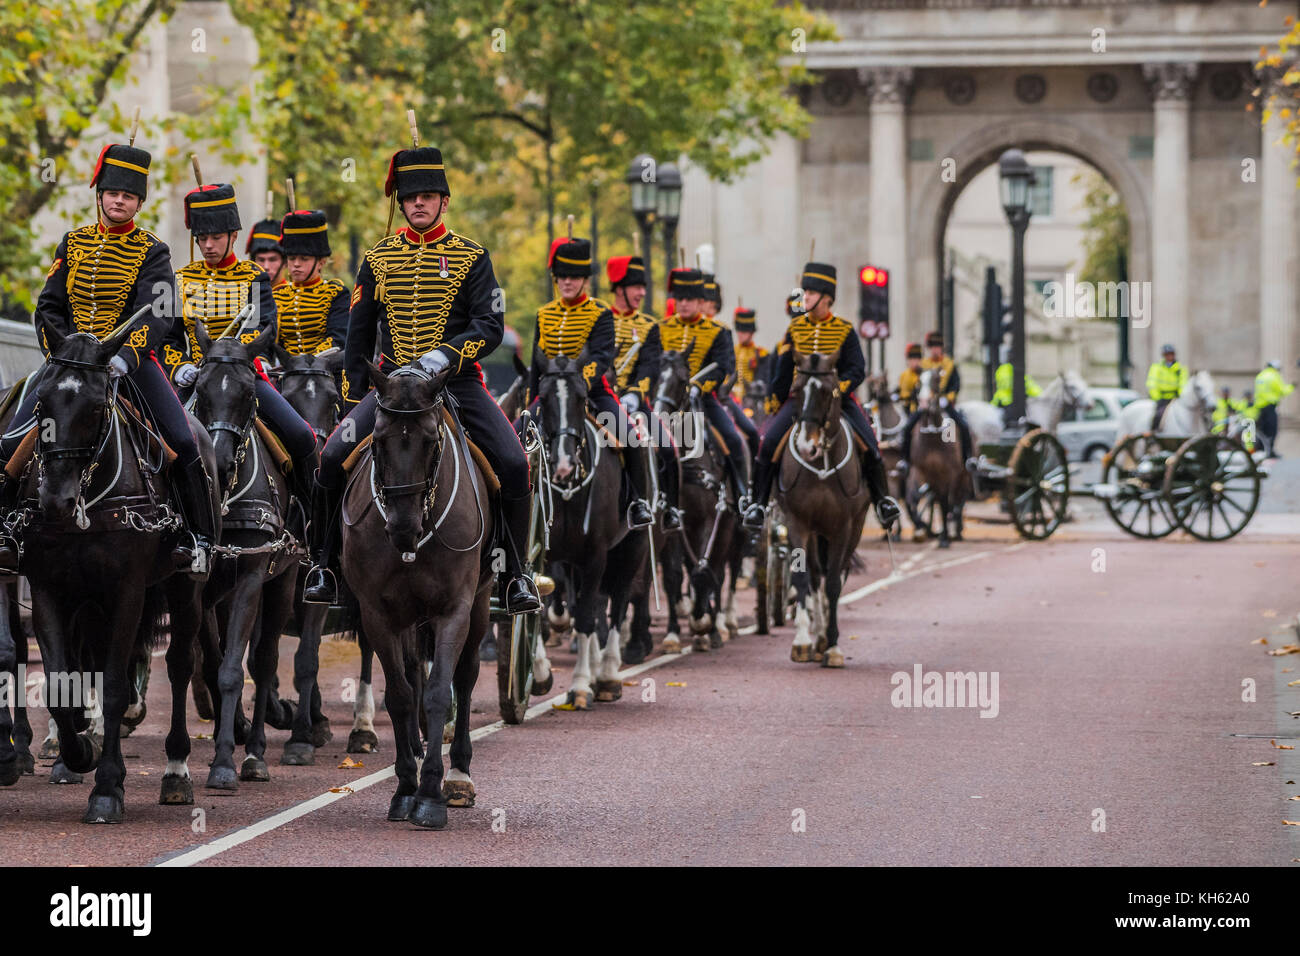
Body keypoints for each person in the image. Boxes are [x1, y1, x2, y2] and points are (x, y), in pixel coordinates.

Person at [306, 143, 539, 612]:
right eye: (411, 197)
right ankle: (324, 566)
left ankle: (517, 575)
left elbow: (489, 326)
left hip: (456, 383)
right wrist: (353, 402)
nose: (419, 203)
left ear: (444, 202)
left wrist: (444, 358)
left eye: (429, 195)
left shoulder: (473, 256)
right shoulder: (377, 259)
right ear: (401, 202)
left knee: (514, 464)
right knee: (331, 458)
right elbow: (357, 337)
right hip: (391, 388)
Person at [0, 141, 214, 574]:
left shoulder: (153, 251)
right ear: (99, 194)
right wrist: (62, 353)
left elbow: (158, 314)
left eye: (130, 196)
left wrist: (126, 358)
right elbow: (48, 307)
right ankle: (7, 530)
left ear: (139, 202)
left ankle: (197, 538)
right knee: (7, 440)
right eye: (114, 193)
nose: (120, 201)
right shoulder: (73, 243)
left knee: (185, 442)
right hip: (71, 364)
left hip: (127, 365)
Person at [162, 182, 319, 508]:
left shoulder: (254, 277)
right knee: (160, 439)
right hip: (198, 380)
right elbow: (169, 338)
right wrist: (180, 366)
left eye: (215, 238)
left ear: (233, 235)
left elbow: (265, 327)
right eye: (201, 238)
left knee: (302, 437)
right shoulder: (180, 280)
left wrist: (229, 355)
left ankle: (307, 524)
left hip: (244, 378)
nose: (207, 245)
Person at [743, 262, 899, 531]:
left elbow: (856, 370)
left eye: (811, 293)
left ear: (826, 298)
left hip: (838, 399)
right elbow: (782, 373)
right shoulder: (795, 330)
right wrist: (775, 401)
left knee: (871, 446)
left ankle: (882, 501)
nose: (805, 297)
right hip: (799, 400)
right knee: (767, 445)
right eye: (804, 292)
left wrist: (839, 389)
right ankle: (757, 505)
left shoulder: (844, 329)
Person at [528, 236, 655, 530]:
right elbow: (536, 366)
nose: (567, 282)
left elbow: (601, 356)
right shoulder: (544, 314)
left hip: (592, 391)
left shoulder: (600, 313)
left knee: (631, 437)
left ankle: (638, 502)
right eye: (562, 276)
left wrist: (579, 383)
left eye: (573, 277)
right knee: (514, 436)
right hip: (550, 393)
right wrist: (530, 403)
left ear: (584, 279)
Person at [658, 267, 751, 508]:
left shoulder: (719, 332)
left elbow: (724, 367)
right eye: (679, 299)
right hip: (666, 398)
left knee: (732, 439)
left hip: (702, 399)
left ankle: (742, 496)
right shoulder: (661, 328)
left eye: (689, 299)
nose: (684, 304)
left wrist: (700, 385)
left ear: (700, 301)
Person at [607, 254, 681, 531]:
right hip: (602, 399)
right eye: (636, 286)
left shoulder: (650, 326)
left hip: (634, 403)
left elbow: (650, 367)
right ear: (619, 288)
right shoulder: (600, 319)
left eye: (643, 287)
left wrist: (634, 395)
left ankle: (670, 508)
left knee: (668, 448)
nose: (642, 293)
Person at [271, 209, 349, 356]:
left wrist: (309, 362)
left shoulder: (336, 294)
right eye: (292, 258)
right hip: (286, 370)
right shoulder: (277, 295)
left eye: (304, 259)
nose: (296, 264)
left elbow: (338, 338)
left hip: (325, 368)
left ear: (321, 262)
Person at [897, 330, 974, 473]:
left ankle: (967, 459)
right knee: (907, 428)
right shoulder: (923, 365)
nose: (935, 349)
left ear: (941, 348)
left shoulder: (950, 364)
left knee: (963, 426)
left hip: (944, 403)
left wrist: (947, 398)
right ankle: (905, 460)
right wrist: (920, 398)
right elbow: (916, 386)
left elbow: (955, 385)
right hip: (925, 403)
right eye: (932, 346)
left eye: (937, 346)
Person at [1253, 359, 1295, 457]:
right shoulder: (1274, 376)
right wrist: (1292, 386)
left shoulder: (1261, 375)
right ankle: (1269, 451)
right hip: (1270, 406)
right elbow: (1282, 390)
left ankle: (1260, 449)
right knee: (1272, 429)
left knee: (1261, 429)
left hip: (1259, 407)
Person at [1145, 343, 1187, 431]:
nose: (1169, 356)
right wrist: (1157, 397)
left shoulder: (1180, 368)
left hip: (1176, 398)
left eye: (1171, 354)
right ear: (1164, 356)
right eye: (1167, 354)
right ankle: (1154, 432)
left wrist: (1181, 395)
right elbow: (1152, 383)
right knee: (1158, 414)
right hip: (1162, 398)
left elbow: (1183, 383)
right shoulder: (1157, 367)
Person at [991, 343, 1042, 408]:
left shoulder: (1003, 368)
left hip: (1002, 401)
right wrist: (1040, 395)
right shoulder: (1009, 368)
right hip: (1007, 402)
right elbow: (1025, 383)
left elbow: (1028, 383)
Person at [247, 216, 287, 287]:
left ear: (285, 262)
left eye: (272, 260)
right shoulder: (246, 294)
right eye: (261, 260)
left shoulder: (295, 296)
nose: (266, 267)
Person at [896, 341, 924, 415]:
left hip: (917, 407)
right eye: (911, 359)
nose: (914, 362)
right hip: (904, 407)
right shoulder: (903, 375)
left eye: (916, 359)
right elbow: (900, 388)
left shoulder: (922, 375)